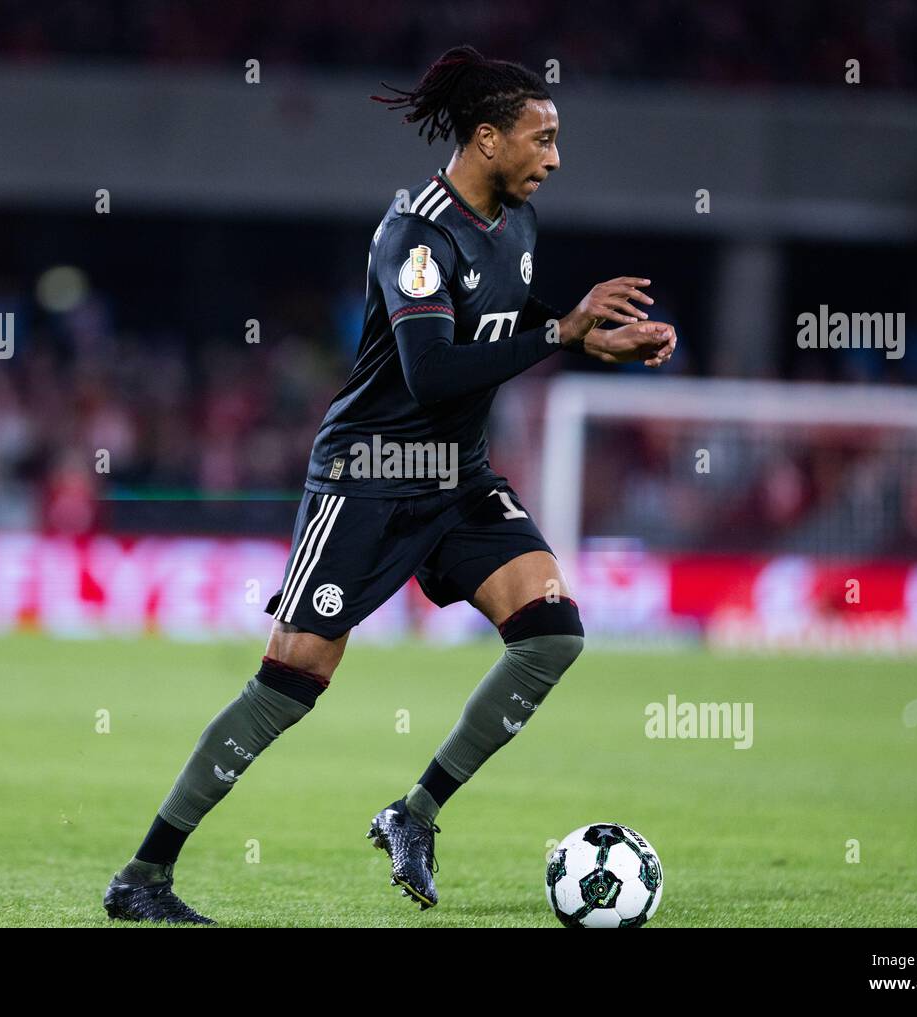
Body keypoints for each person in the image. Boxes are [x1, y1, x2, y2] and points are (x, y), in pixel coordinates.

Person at [103, 44, 677, 924]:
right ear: (487, 139)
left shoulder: (517, 224)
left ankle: (414, 813)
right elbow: (432, 371)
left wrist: (582, 334)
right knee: (291, 683)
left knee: (552, 633)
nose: (555, 158)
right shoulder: (414, 232)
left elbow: (498, 316)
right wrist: (560, 334)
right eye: (543, 138)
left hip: (456, 476)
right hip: (368, 475)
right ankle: (144, 877)